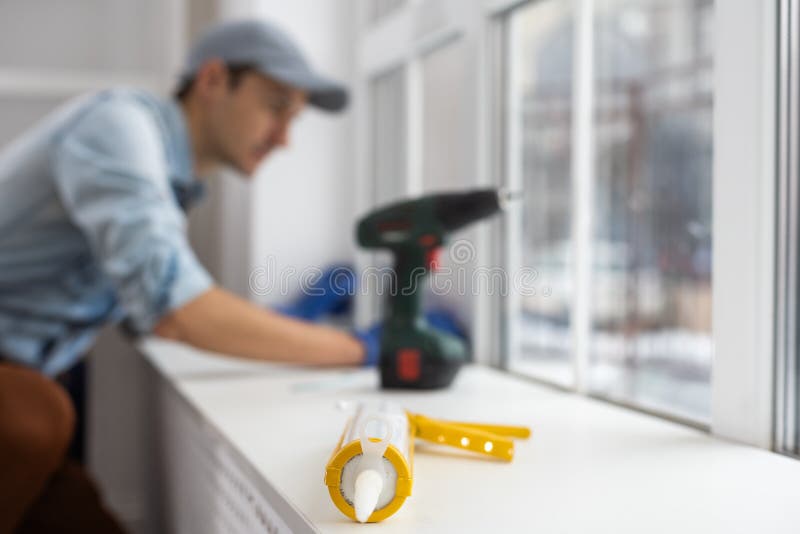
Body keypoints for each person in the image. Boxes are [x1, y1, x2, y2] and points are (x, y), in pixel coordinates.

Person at [0, 19, 376, 533]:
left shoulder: (169, 180)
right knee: (34, 418)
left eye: (296, 118)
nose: (286, 138)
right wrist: (365, 350)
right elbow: (179, 311)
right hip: (20, 395)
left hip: (24, 372)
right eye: (276, 106)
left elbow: (155, 313)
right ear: (213, 80)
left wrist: (287, 323)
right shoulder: (119, 129)